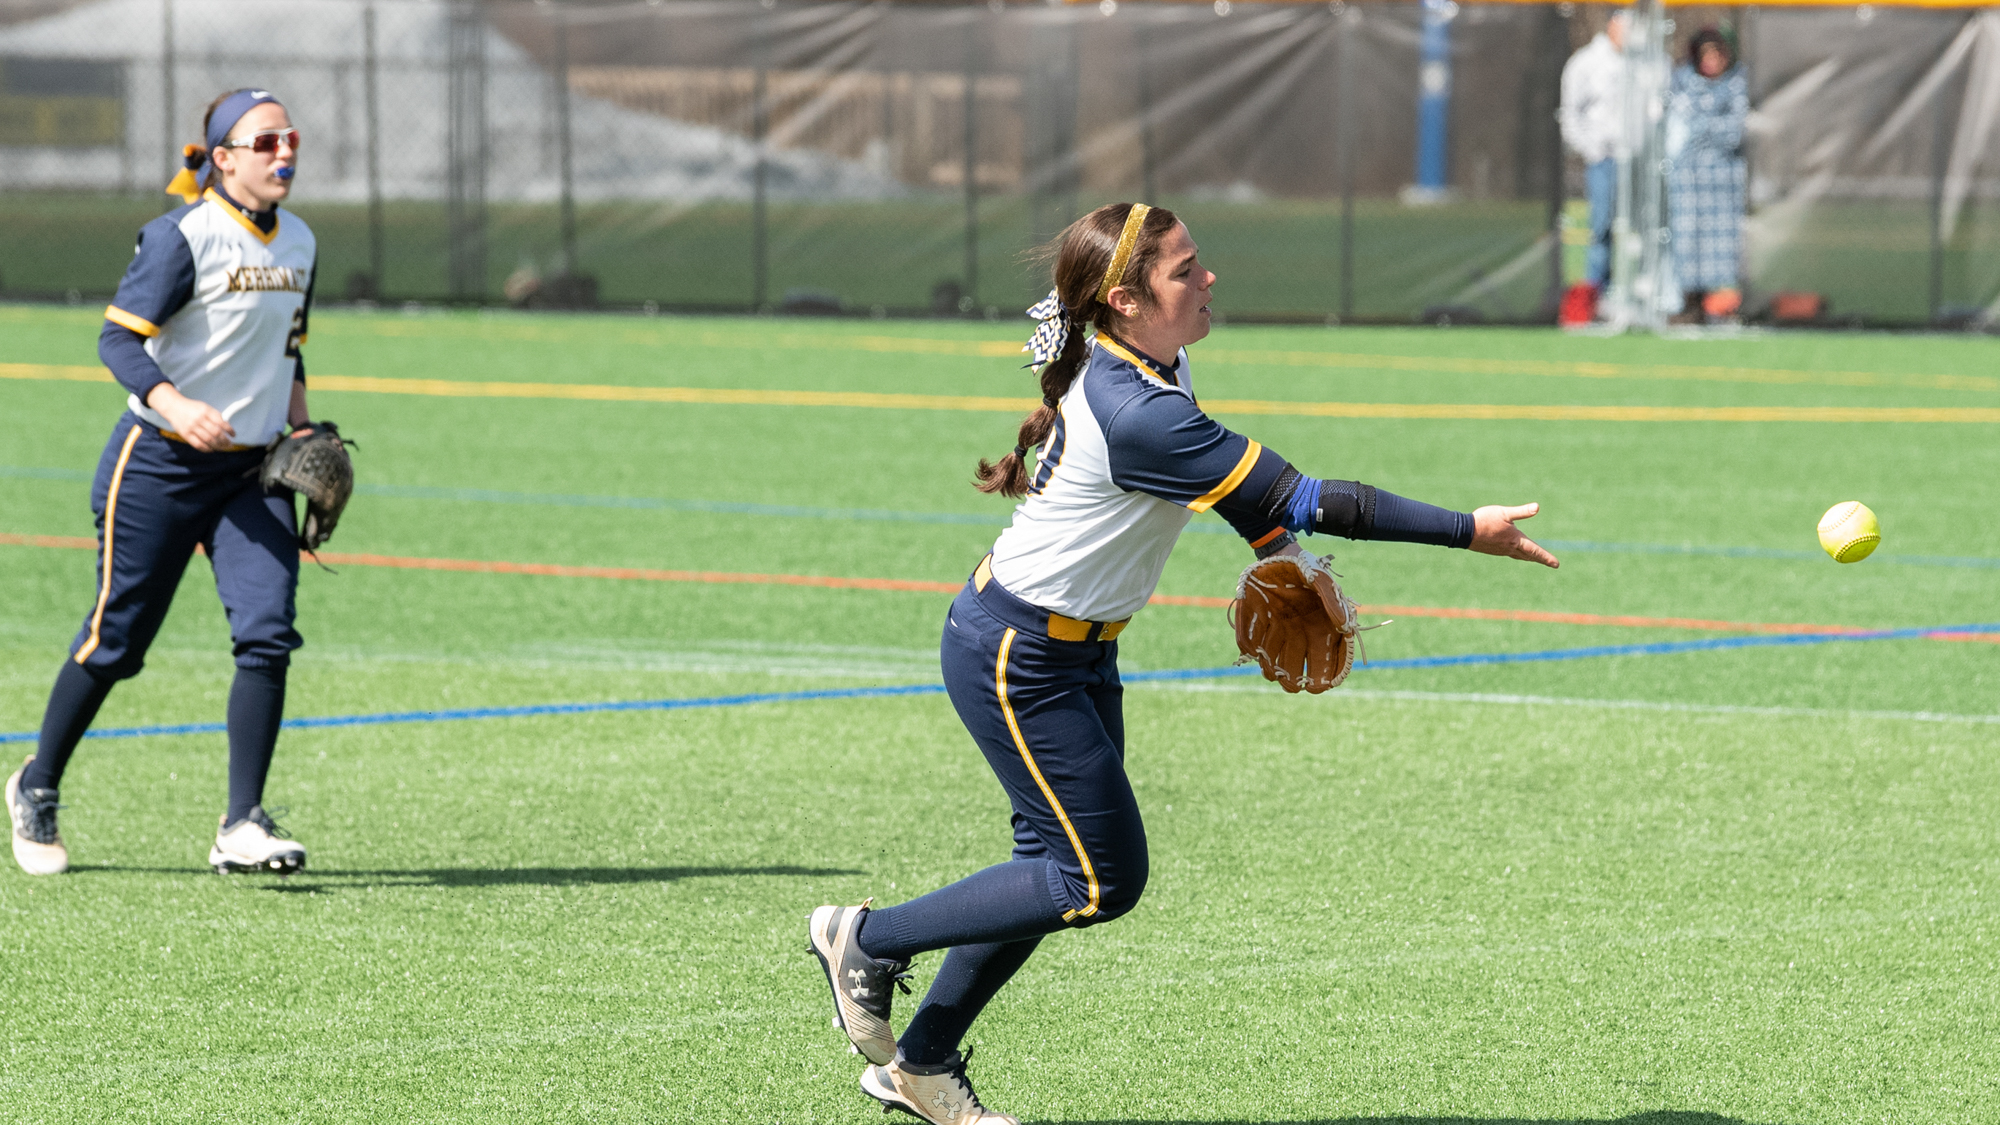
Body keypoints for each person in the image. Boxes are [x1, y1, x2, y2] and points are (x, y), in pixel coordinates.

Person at [807, 203, 1559, 1124]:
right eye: (1185, 270)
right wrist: (1464, 529)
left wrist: (1280, 549)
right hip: (1016, 654)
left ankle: (920, 1064)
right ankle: (867, 939)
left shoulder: (1150, 362)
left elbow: (1240, 498)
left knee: (1047, 864)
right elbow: (1311, 496)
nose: (1208, 279)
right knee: (1095, 878)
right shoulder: (1134, 407)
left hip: (1073, 651)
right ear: (1124, 299)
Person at [6, 89, 320, 877]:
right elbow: (119, 339)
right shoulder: (184, 235)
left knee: (267, 633)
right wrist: (176, 405)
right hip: (159, 464)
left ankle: (240, 822)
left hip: (252, 472)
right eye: (266, 141)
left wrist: (306, 428)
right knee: (117, 641)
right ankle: (36, 783)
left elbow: (287, 351)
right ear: (223, 159)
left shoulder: (302, 241)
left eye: (291, 138)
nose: (284, 152)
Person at [1667, 28, 1748, 324]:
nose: (1712, 61)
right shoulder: (1681, 83)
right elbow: (1678, 129)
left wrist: (1702, 128)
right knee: (1688, 240)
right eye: (1706, 55)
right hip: (1688, 181)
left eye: (1717, 54)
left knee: (1727, 246)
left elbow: (1736, 131)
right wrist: (1708, 126)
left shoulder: (1739, 83)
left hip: (1725, 180)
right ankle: (1691, 302)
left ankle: (1725, 303)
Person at [1558, 9, 1628, 325]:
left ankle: (1627, 294)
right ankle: (1593, 299)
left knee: (1636, 232)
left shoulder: (1645, 62)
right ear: (1613, 26)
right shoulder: (1586, 62)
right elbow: (1570, 114)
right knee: (1600, 229)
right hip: (1604, 160)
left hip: (1639, 163)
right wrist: (1592, 150)